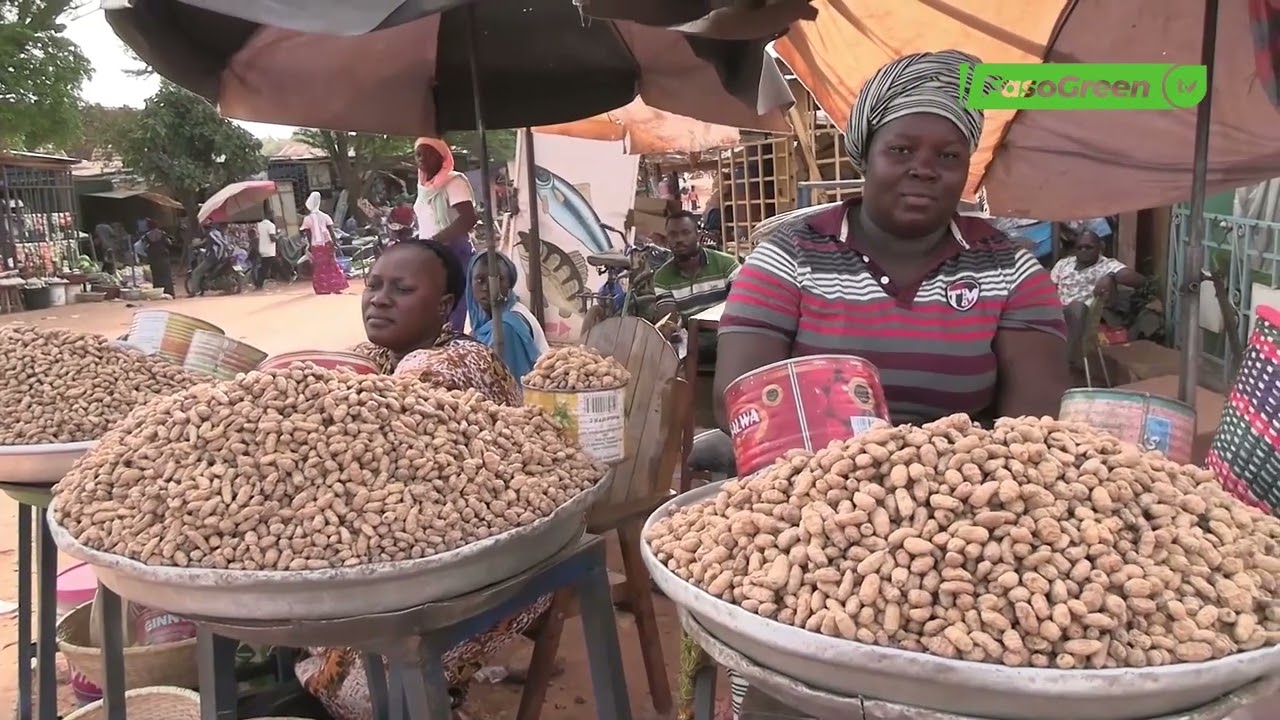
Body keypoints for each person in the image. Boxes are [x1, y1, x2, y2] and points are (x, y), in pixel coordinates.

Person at [701, 50, 1070, 720]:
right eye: (902, 148)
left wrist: (934, 502)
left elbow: (1030, 434)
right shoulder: (790, 255)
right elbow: (746, 396)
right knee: (801, 696)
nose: (925, 168)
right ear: (865, 153)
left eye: (948, 156)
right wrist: (852, 503)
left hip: (965, 530)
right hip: (810, 521)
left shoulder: (1008, 266)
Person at [296, 239, 544, 720]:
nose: (380, 298)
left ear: (445, 307)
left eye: (402, 289)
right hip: (415, 561)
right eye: (373, 285)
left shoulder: (452, 363)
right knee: (306, 633)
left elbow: (361, 427)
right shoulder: (379, 356)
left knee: (366, 695)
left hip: (497, 569)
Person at [653, 210, 739, 363]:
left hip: (727, 334)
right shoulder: (663, 276)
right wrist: (668, 329)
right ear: (667, 240)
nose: (679, 239)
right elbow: (668, 319)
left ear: (698, 235)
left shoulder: (726, 264)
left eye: (685, 233)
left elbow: (743, 305)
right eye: (673, 234)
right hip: (693, 340)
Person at [413, 137, 478, 332]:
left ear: (442, 157)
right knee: (435, 305)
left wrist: (436, 241)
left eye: (428, 153)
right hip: (431, 252)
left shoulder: (453, 181)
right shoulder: (424, 187)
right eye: (418, 154)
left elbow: (468, 218)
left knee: (453, 305)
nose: (422, 158)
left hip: (453, 251)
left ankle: (451, 347)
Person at [1050, 229, 1145, 363]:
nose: (1083, 250)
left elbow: (1139, 281)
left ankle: (1067, 361)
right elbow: (1049, 287)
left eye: (1089, 247)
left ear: (1100, 247)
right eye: (1079, 247)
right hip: (1057, 312)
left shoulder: (1107, 265)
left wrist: (1111, 276)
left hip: (1085, 318)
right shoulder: (1063, 264)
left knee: (1077, 307)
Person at [466, 250, 549, 380]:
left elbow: (511, 386)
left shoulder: (507, 326)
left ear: (510, 284)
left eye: (498, 280)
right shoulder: (483, 319)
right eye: (480, 280)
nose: (487, 287)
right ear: (470, 284)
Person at [301, 191, 349, 295]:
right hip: (328, 244)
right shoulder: (325, 216)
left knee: (319, 266)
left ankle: (322, 288)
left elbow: (308, 235)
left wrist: (309, 246)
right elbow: (331, 231)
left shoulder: (307, 219)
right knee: (332, 264)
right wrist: (335, 243)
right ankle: (336, 287)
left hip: (316, 246)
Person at [189, 221, 230, 296]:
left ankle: (193, 291)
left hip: (213, 257)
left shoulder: (211, 234)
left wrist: (206, 251)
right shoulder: (219, 233)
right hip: (222, 257)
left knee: (196, 272)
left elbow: (215, 244)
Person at [141, 219, 176, 297]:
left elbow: (143, 247)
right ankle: (169, 292)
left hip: (153, 257)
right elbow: (169, 242)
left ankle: (158, 292)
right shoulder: (162, 233)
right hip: (163, 256)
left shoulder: (147, 235)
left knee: (156, 275)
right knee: (166, 275)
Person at [253, 211, 279, 289]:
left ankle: (286, 278)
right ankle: (259, 284)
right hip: (269, 250)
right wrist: (279, 236)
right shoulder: (271, 225)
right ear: (270, 216)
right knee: (265, 268)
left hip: (261, 249)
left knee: (269, 265)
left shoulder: (259, 225)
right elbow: (272, 238)